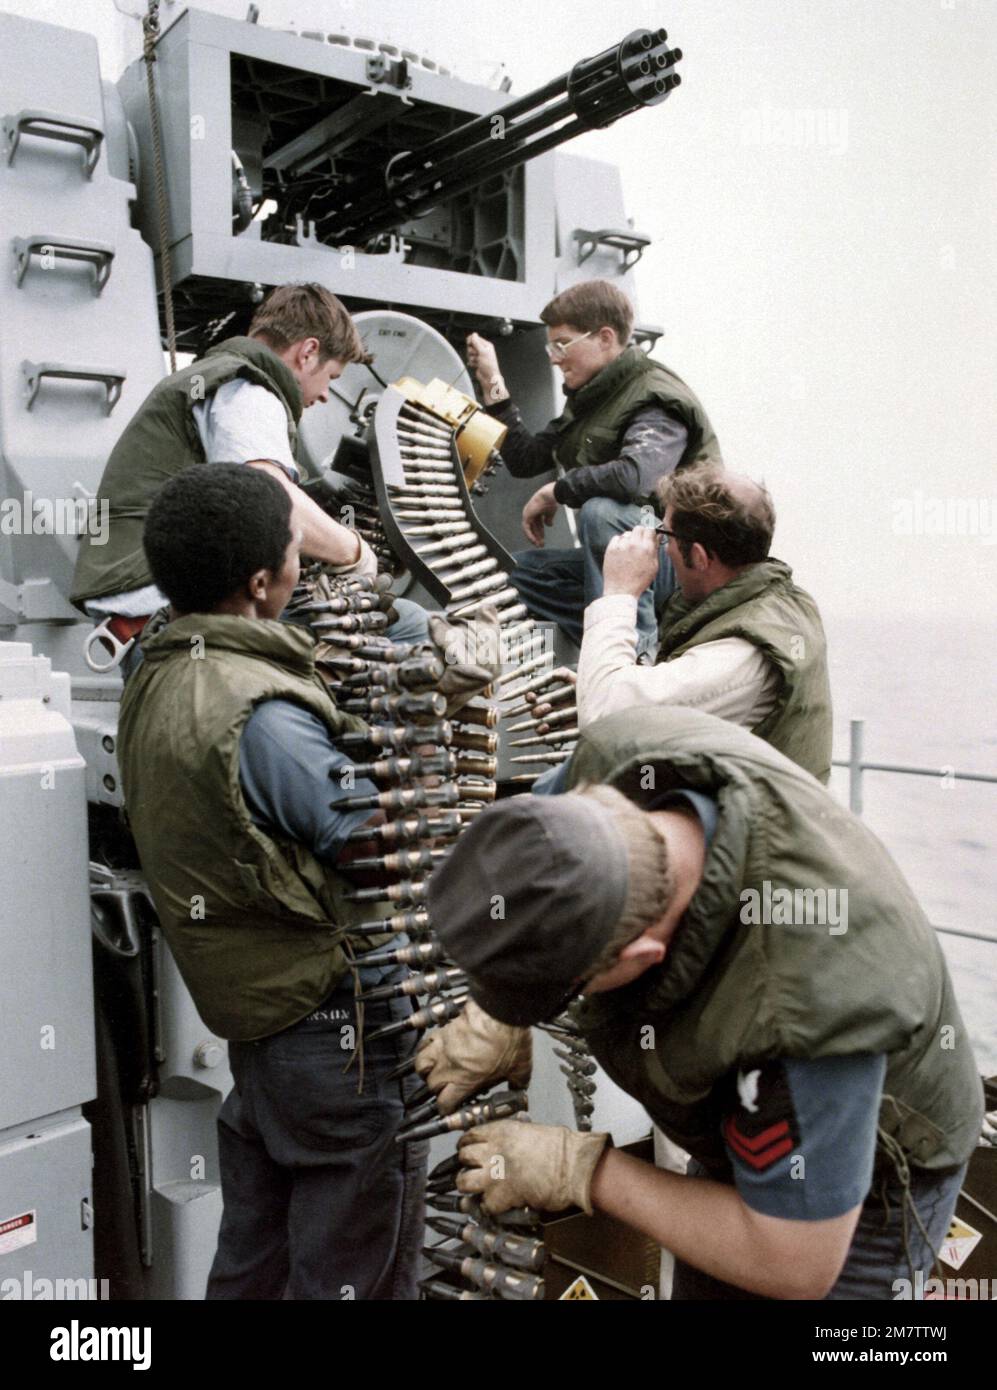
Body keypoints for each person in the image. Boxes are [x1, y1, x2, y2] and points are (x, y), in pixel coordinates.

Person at [419, 706, 984, 1300]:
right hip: (750, 1120)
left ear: (641, 953)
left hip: (860, 1197)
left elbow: (795, 1262)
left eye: (574, 987)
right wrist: (497, 1010)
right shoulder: (619, 758)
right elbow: (537, 861)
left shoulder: (807, 1009)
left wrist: (583, 1170)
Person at [116, 464, 428, 1299]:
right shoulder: (264, 717)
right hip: (338, 1040)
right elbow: (370, 844)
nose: (304, 570)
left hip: (262, 1035)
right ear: (262, 583)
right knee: (354, 1272)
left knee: (252, 1265)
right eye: (297, 555)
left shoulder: (151, 675)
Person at [72, 281, 427, 672]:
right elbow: (269, 497)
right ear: (308, 352)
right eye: (332, 375)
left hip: (151, 621)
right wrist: (355, 551)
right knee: (408, 624)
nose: (326, 394)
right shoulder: (248, 391)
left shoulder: (214, 378)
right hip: (168, 624)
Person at [466, 278, 721, 658]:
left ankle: (632, 657)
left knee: (603, 515)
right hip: (625, 564)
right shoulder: (592, 399)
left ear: (604, 337)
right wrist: (492, 382)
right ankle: (603, 630)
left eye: (562, 344)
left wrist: (557, 491)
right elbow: (526, 458)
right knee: (509, 576)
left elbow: (635, 476)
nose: (553, 357)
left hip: (683, 564)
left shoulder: (656, 396)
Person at [541, 462, 833, 784]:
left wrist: (618, 592)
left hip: (744, 831)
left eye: (664, 534)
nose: (660, 548)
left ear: (699, 556)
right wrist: (593, 689)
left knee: (552, 790)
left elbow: (603, 715)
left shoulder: (744, 652)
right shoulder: (771, 603)